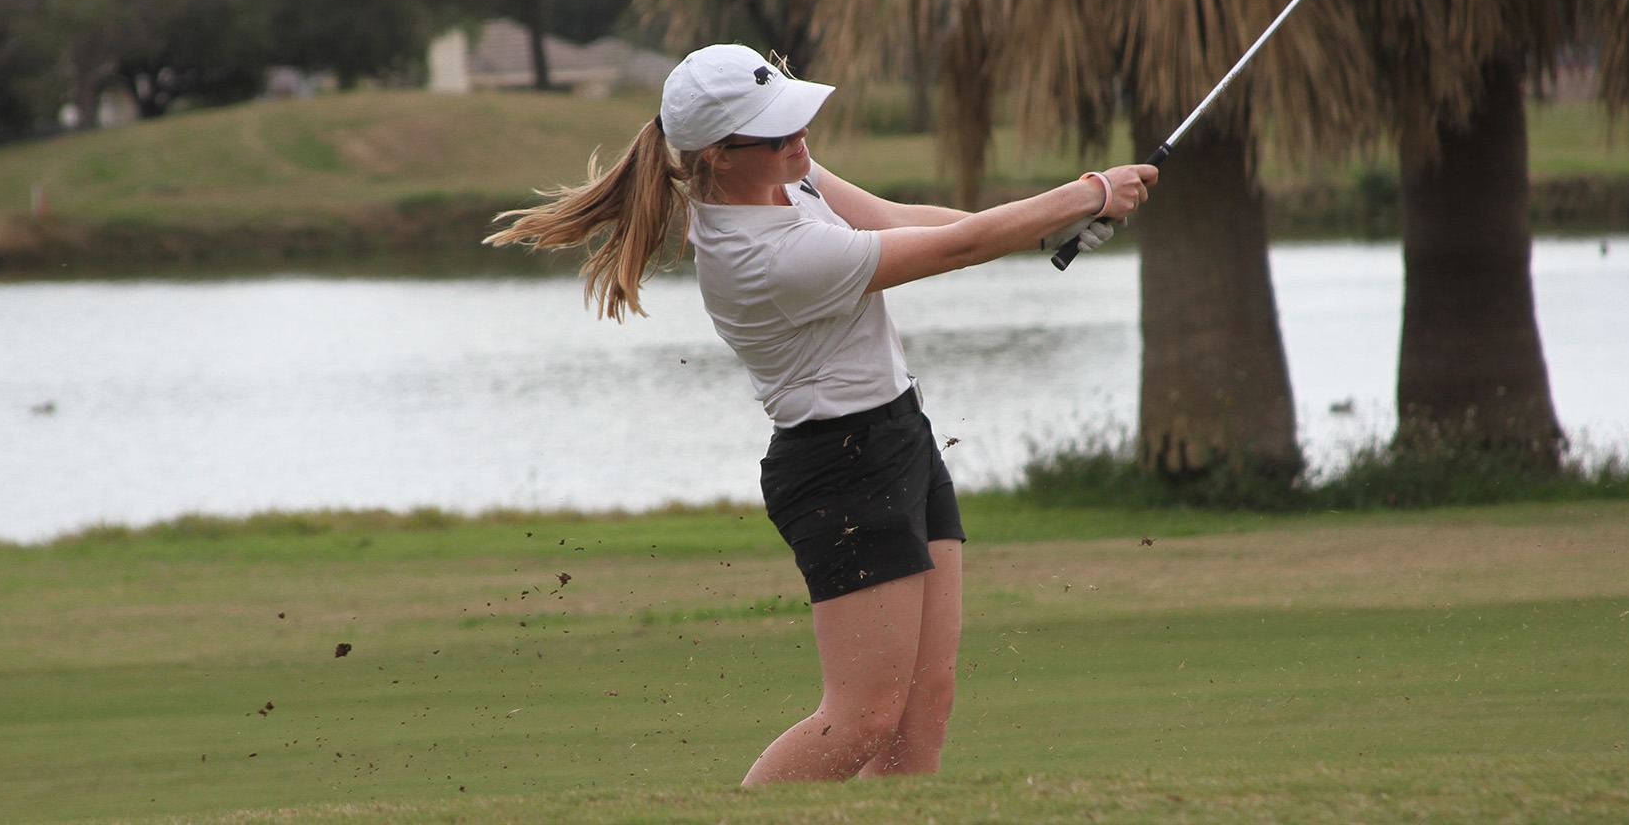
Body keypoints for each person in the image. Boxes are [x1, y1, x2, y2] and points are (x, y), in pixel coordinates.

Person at [485, 43, 1157, 784]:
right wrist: (1086, 193)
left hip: (899, 434)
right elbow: (954, 251)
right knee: (861, 718)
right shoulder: (763, 257)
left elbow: (905, 221)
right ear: (720, 155)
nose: (799, 138)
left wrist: (1039, 230)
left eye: (795, 119)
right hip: (840, 467)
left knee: (924, 706)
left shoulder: (786, 178)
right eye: (777, 133)